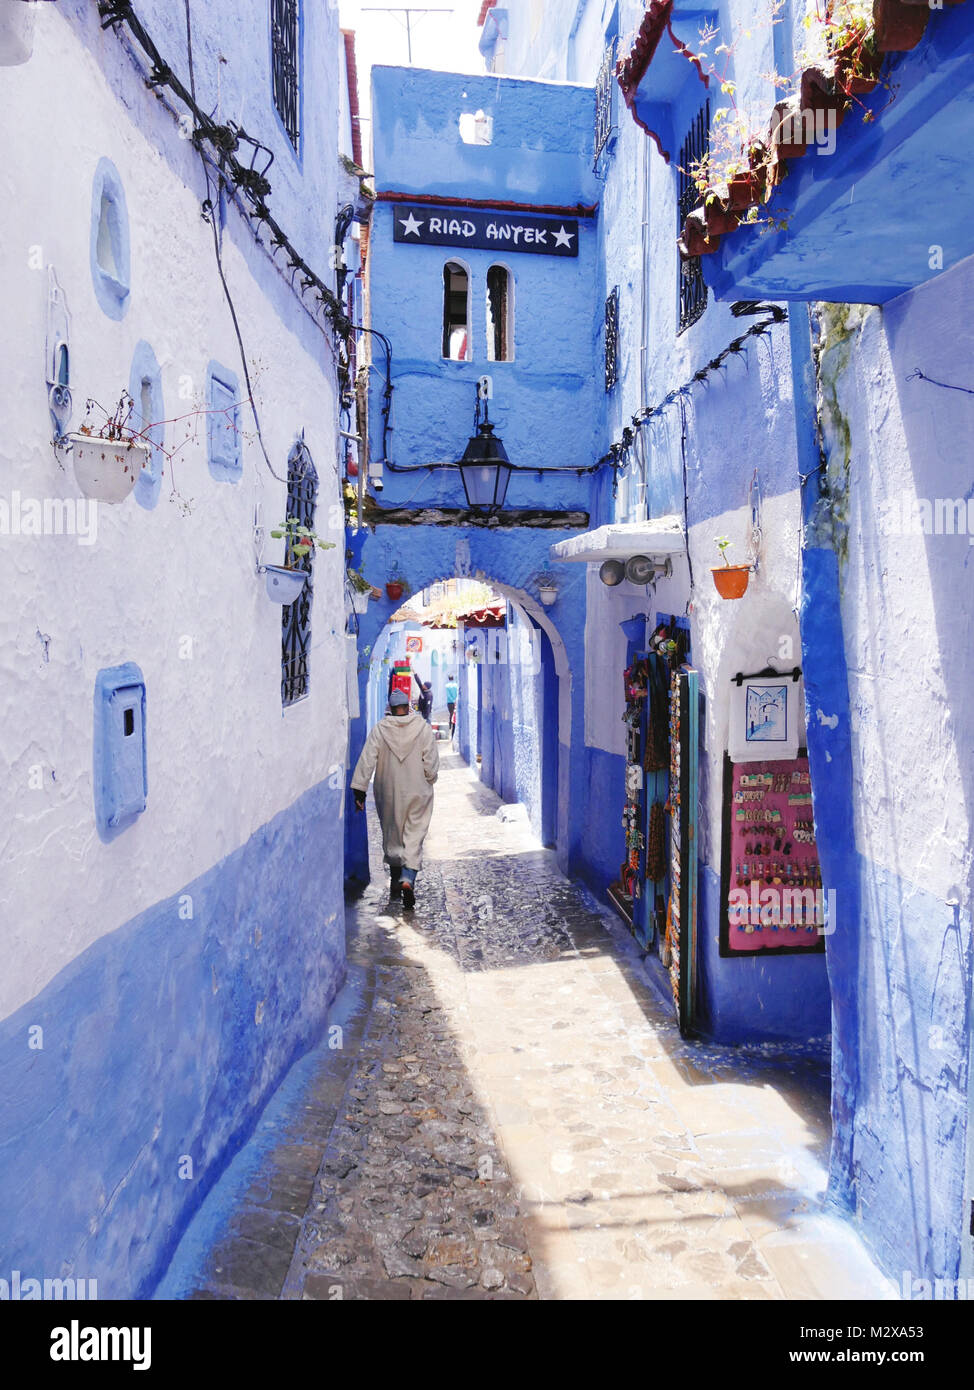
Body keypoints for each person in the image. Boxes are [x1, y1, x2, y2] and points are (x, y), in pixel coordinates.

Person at [351, 689, 439, 909]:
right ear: (408, 707)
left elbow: (367, 760)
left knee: (393, 833)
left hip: (388, 790)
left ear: (390, 708)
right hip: (417, 789)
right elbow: (430, 761)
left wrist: (360, 790)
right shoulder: (422, 729)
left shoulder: (380, 730)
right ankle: (408, 879)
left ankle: (395, 884)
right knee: (414, 833)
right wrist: (430, 777)